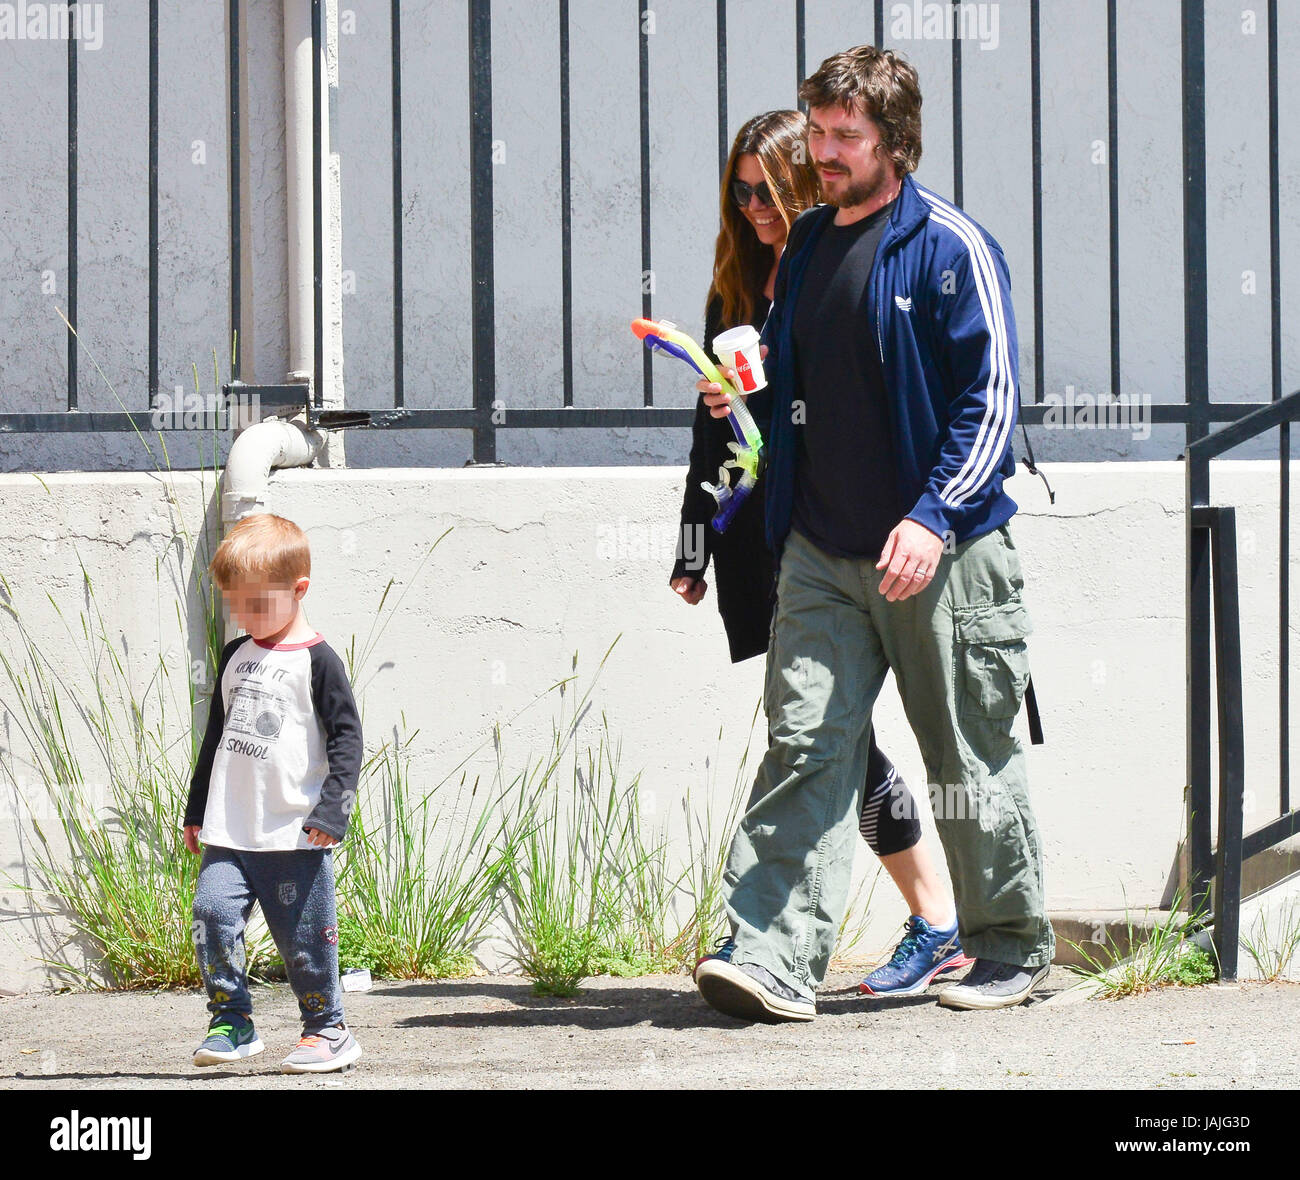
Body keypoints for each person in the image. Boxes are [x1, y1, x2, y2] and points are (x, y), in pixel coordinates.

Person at [693, 45, 1054, 1022]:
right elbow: (793, 374)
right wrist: (741, 385)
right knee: (805, 744)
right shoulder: (806, 246)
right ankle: (769, 953)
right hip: (818, 551)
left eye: (842, 134)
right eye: (814, 130)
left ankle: (1009, 945)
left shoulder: (951, 247)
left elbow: (989, 406)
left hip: (942, 555)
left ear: (893, 140)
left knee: (964, 757)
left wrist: (932, 517)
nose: (822, 150)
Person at [671, 110, 970, 997]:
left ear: (810, 182)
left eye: (770, 188)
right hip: (767, 542)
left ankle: (939, 922)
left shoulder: (835, 268)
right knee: (826, 739)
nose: (755, 205)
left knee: (846, 743)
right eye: (742, 189)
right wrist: (694, 550)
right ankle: (923, 925)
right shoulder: (735, 290)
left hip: (853, 529)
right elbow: (709, 442)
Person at [183, 513, 364, 1072]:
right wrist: (195, 810)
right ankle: (232, 1021)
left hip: (294, 833)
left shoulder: (319, 662)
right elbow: (215, 738)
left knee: (304, 942)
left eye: (257, 605)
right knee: (212, 914)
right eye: (237, 606)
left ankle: (327, 1029)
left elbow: (348, 741)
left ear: (298, 589)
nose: (246, 617)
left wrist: (332, 809)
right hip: (228, 832)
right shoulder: (237, 655)